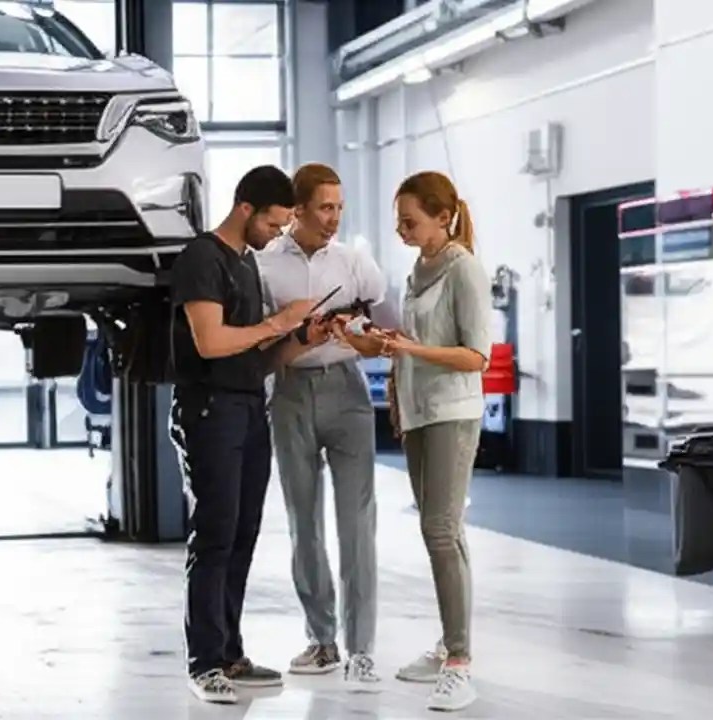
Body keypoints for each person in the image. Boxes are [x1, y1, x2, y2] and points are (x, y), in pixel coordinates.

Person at [168, 165, 329, 704]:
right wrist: (279, 321)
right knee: (214, 535)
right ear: (246, 210)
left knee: (242, 533)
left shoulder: (246, 265)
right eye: (274, 223)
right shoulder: (202, 258)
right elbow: (212, 342)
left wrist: (304, 336)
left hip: (247, 407)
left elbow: (258, 357)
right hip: (209, 410)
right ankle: (204, 662)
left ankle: (230, 653)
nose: (277, 234)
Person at [336, 170, 492, 712]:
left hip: (452, 412)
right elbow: (409, 345)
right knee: (446, 533)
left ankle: (460, 663)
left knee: (439, 531)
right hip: (420, 413)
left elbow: (476, 357)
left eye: (410, 221)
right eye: (398, 221)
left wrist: (412, 348)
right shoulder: (417, 270)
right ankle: (450, 645)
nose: (401, 230)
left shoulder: (464, 269)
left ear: (442, 217)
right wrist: (382, 352)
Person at [255, 163, 387, 685]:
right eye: (324, 207)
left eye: (339, 207)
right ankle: (322, 640)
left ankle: (363, 649)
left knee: (358, 526)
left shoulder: (355, 262)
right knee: (303, 523)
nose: (333, 218)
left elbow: (383, 319)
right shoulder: (265, 266)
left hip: (348, 391)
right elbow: (260, 340)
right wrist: (292, 330)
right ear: (299, 210)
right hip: (289, 394)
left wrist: (359, 333)